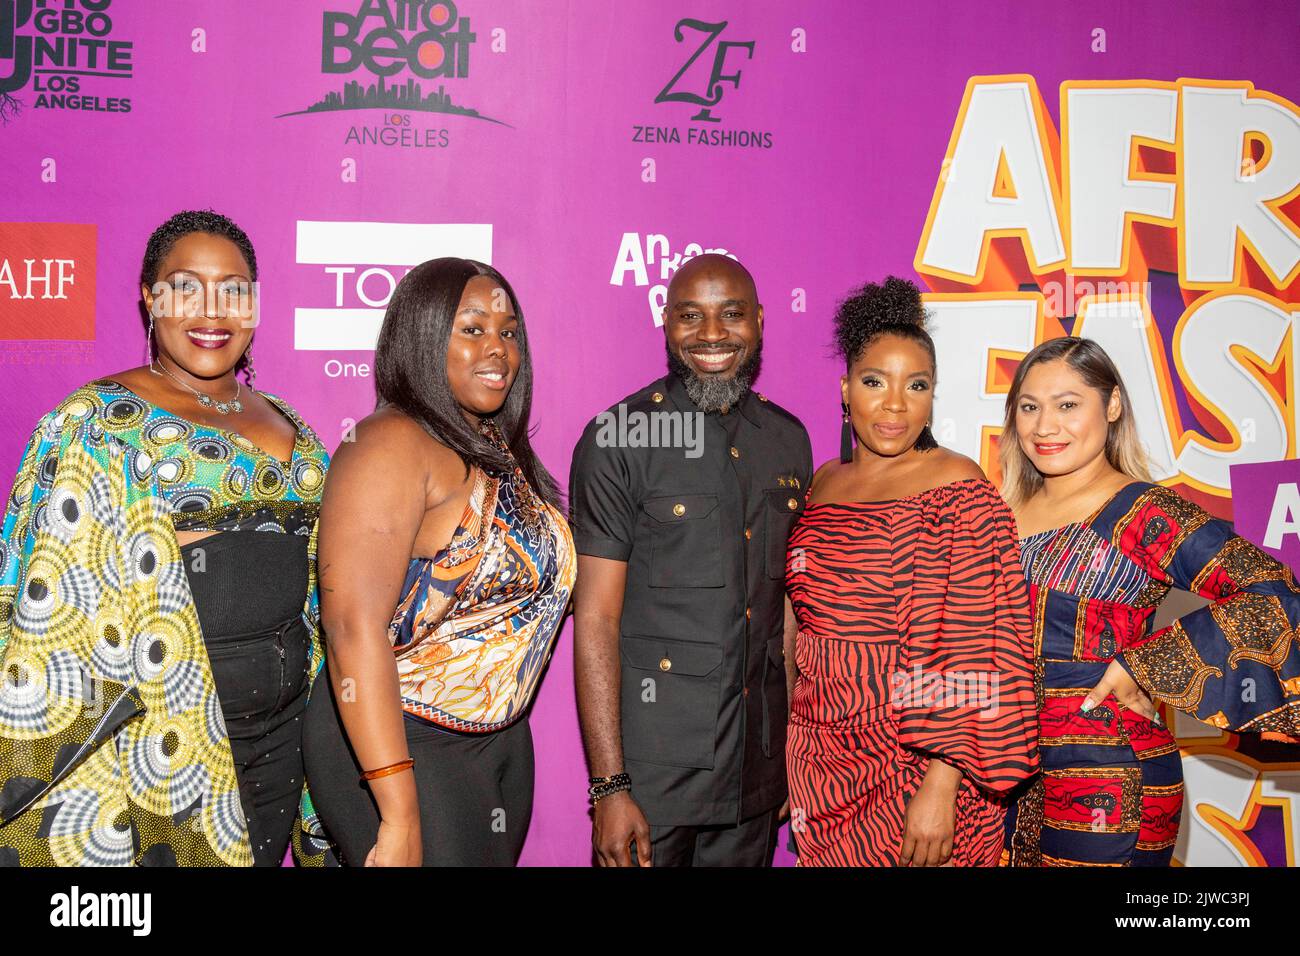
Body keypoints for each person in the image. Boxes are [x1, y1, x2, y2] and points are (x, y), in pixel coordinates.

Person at [0, 209, 332, 866]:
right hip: (158, 746)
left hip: (287, 737)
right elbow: (34, 593)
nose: (213, 309)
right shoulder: (94, 421)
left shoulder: (290, 421)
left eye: (234, 288)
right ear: (150, 298)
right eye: (185, 286)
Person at [302, 257, 575, 867]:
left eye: (509, 332)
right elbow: (351, 629)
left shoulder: (494, 445)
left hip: (499, 741)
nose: (498, 349)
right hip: (402, 741)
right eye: (472, 329)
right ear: (423, 336)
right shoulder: (387, 443)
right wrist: (398, 815)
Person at [1000, 336, 1300, 866]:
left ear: (1112, 405)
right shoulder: (1001, 509)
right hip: (1009, 771)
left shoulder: (1140, 509)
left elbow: (1270, 589)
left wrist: (1144, 665)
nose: (1044, 426)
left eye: (1068, 404)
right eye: (1030, 407)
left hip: (1108, 769)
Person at [783, 276, 1038, 867]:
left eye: (916, 385)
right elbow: (800, 625)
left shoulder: (958, 485)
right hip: (822, 756)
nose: (895, 404)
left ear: (932, 396)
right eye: (875, 382)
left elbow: (981, 641)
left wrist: (942, 783)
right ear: (845, 390)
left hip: (914, 757)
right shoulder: (823, 481)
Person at [570, 253, 812, 867]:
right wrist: (609, 787)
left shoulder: (788, 439)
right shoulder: (616, 438)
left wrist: (783, 757)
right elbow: (595, 620)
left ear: (758, 321)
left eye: (731, 314)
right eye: (690, 317)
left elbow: (784, 609)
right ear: (666, 325)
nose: (711, 335)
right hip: (652, 785)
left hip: (751, 778)